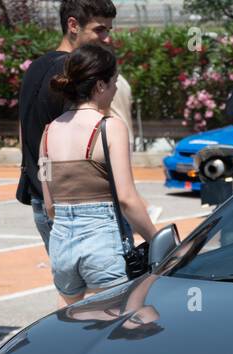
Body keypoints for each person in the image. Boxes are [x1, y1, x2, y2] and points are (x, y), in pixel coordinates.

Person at [41, 43, 154, 306]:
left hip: (61, 244)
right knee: (124, 324)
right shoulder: (110, 128)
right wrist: (159, 241)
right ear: (100, 86)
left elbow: (49, 206)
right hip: (102, 241)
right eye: (114, 81)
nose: (116, 88)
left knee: (69, 321)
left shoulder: (47, 134)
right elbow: (127, 199)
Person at [16, 0, 117, 251]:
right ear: (73, 25)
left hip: (43, 200)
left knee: (69, 288)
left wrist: (42, 185)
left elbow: (24, 131)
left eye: (108, 30)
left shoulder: (35, 67)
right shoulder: (73, 74)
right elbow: (80, 140)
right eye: (99, 29)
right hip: (74, 208)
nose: (106, 38)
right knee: (107, 287)